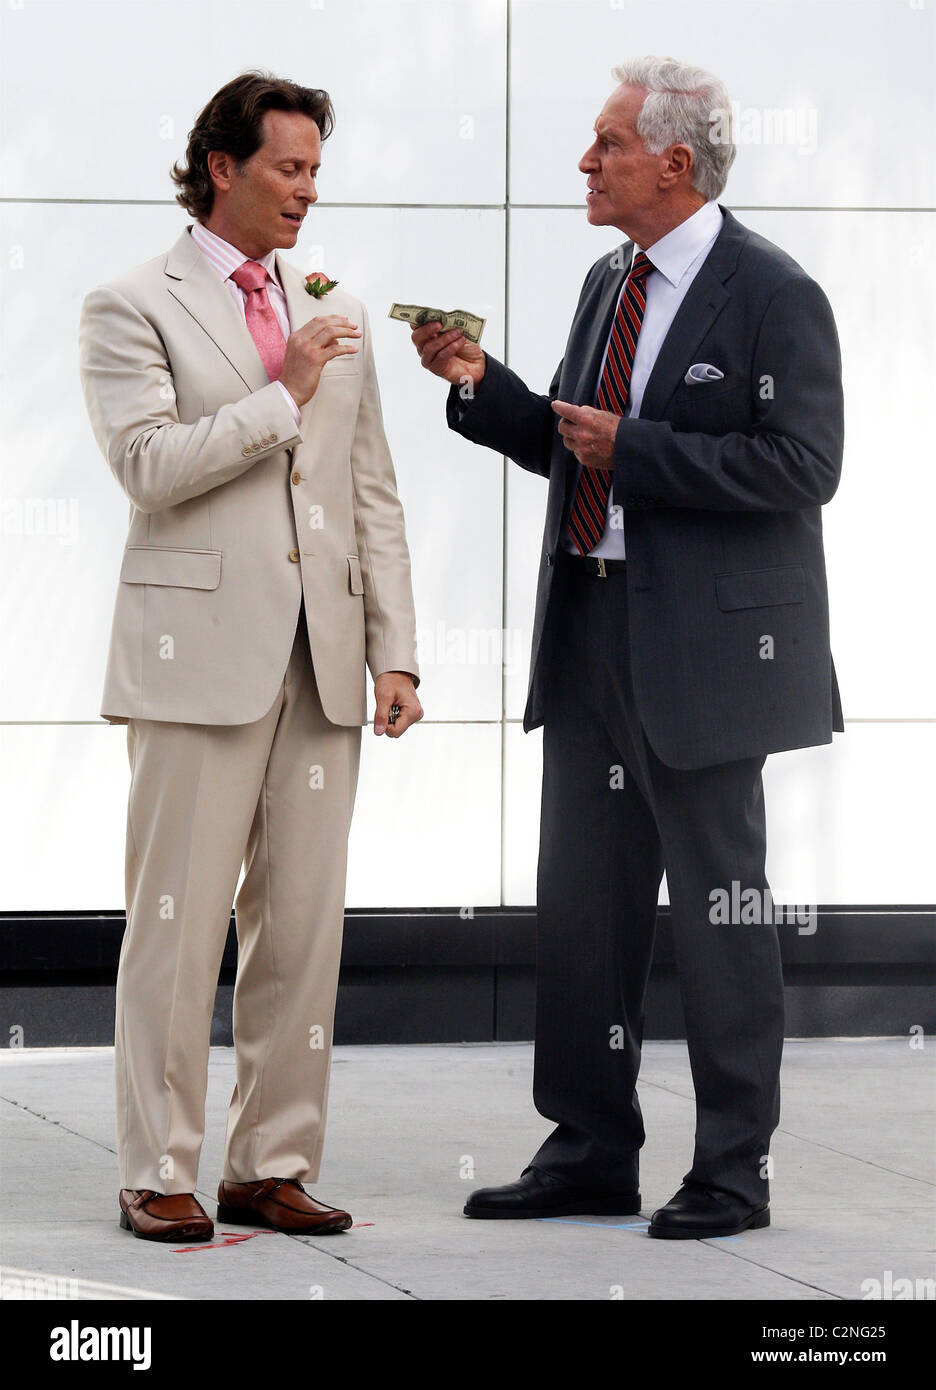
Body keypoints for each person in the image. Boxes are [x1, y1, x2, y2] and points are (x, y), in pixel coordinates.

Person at [410, 56, 843, 1239]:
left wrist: (637, 450)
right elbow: (572, 443)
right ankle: (591, 1148)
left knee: (721, 915)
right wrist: (482, 386)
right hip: (592, 632)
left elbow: (807, 469)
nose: (586, 163)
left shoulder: (774, 292)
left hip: (707, 660)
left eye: (605, 143)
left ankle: (732, 1169)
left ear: (674, 161)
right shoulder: (612, 281)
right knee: (585, 911)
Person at [79, 71, 422, 1243]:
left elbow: (370, 490)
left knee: (303, 924)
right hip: (197, 656)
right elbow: (149, 467)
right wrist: (283, 394)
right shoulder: (130, 304)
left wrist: (398, 654)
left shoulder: (332, 302)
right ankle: (155, 1166)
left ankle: (269, 1161)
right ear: (222, 167)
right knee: (176, 921)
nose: (307, 192)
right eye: (289, 168)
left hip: (322, 665)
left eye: (318, 171)